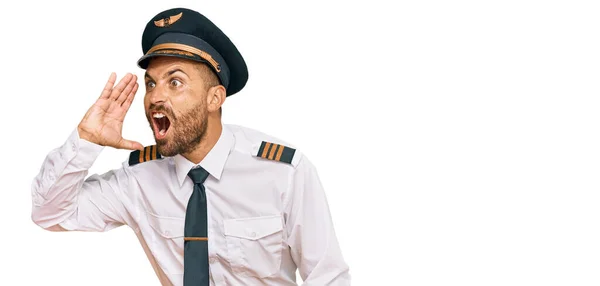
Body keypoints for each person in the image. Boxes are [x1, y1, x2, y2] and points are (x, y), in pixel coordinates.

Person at [30, 7, 350, 286]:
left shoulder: (283, 172)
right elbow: (48, 213)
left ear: (215, 98)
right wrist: (85, 140)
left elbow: (328, 277)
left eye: (175, 82)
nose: (155, 96)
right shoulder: (139, 179)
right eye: (151, 83)